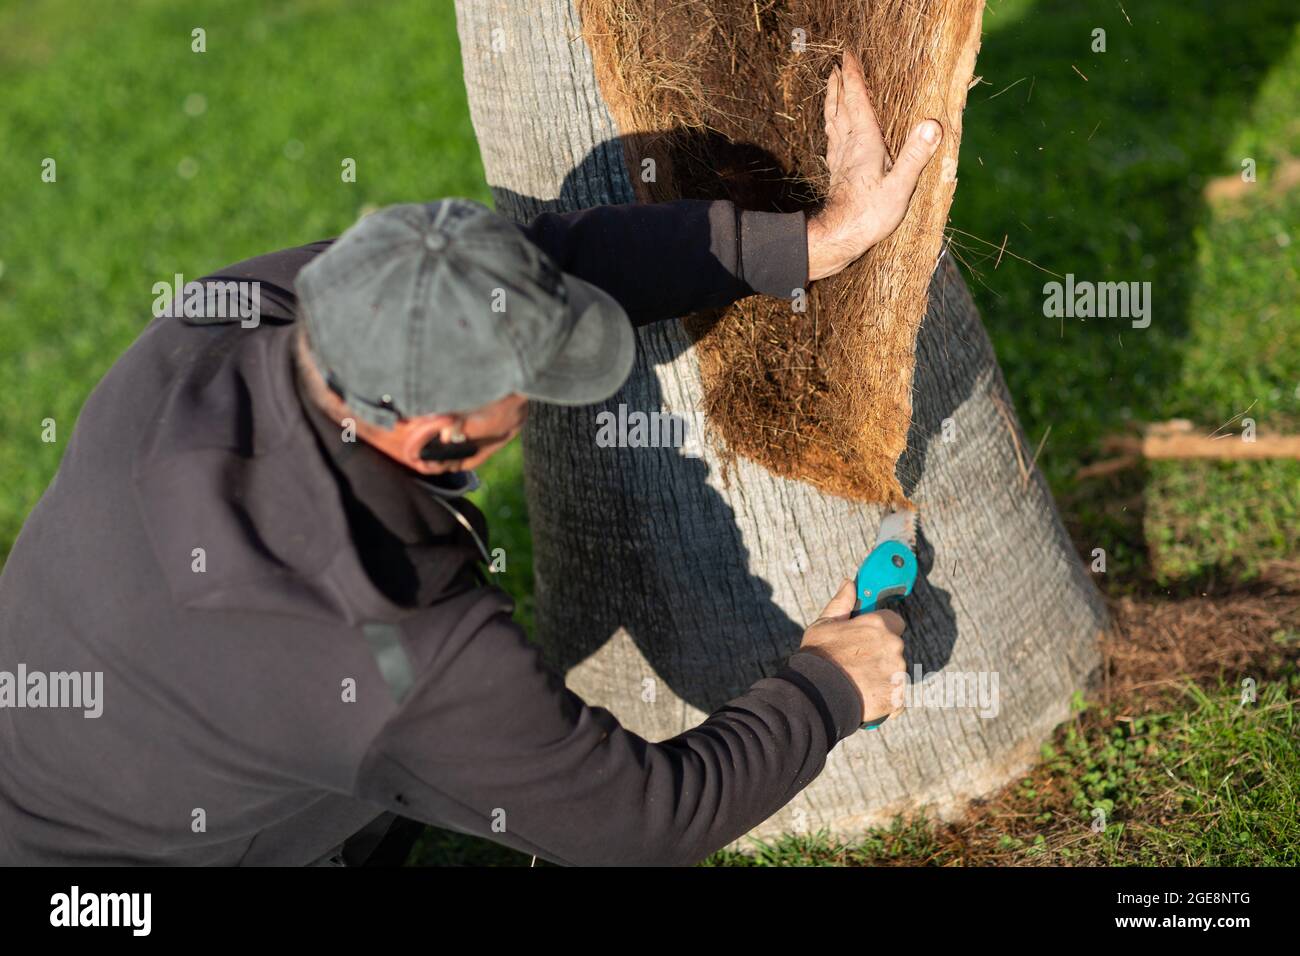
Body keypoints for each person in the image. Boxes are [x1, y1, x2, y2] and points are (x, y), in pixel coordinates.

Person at [0, 53, 942, 865]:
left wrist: (808, 240)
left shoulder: (230, 317)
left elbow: (533, 264)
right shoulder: (393, 646)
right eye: (526, 385)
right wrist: (827, 686)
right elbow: (641, 824)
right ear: (434, 435)